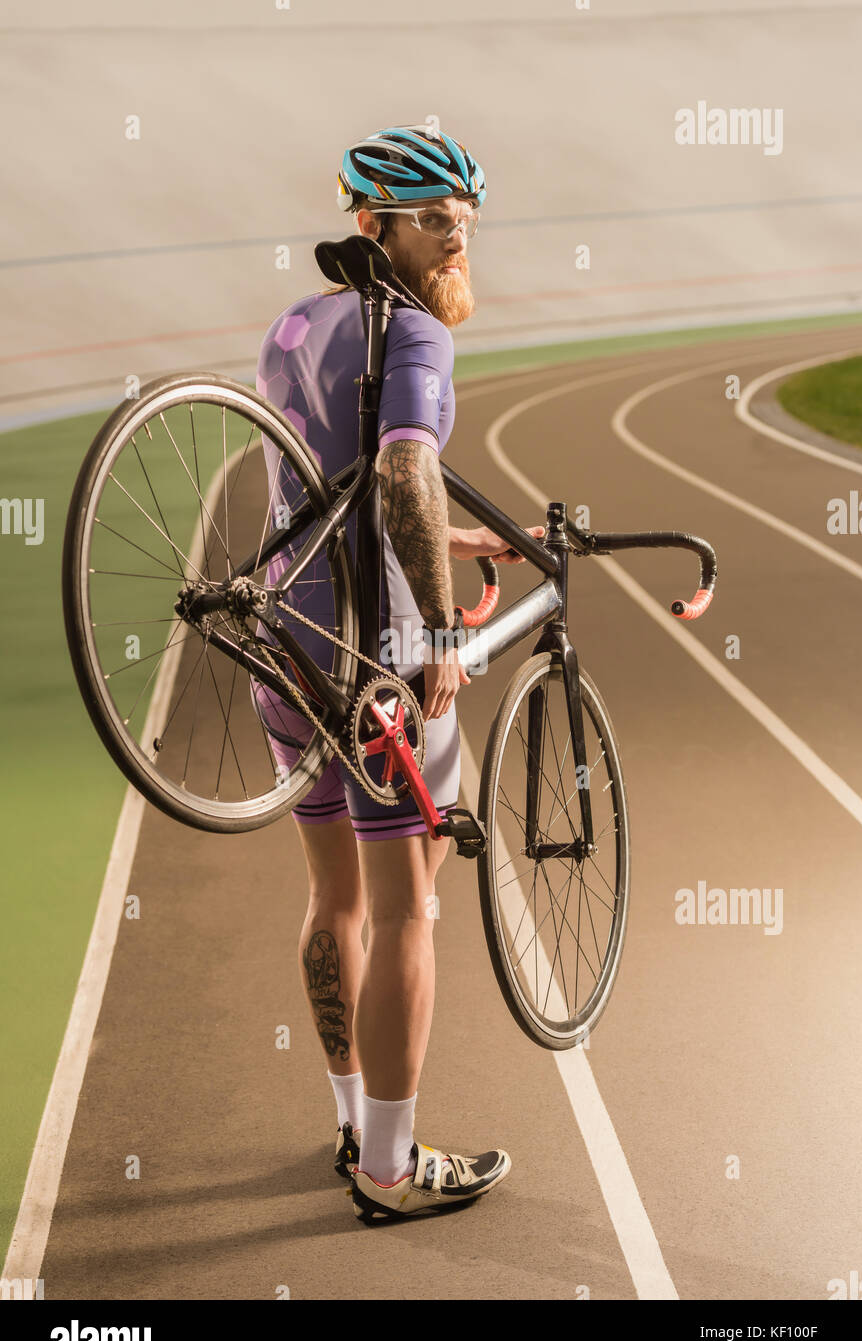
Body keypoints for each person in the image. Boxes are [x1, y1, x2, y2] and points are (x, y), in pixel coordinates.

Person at [255, 125, 544, 1222]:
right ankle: (387, 1166)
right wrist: (434, 635)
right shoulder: (416, 335)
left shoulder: (292, 326)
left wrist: (450, 546)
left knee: (331, 898)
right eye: (434, 225)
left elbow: (329, 487)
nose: (453, 244)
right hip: (376, 669)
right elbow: (407, 472)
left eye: (462, 226)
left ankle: (347, 1121)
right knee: (409, 912)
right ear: (372, 225)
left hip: (289, 653)